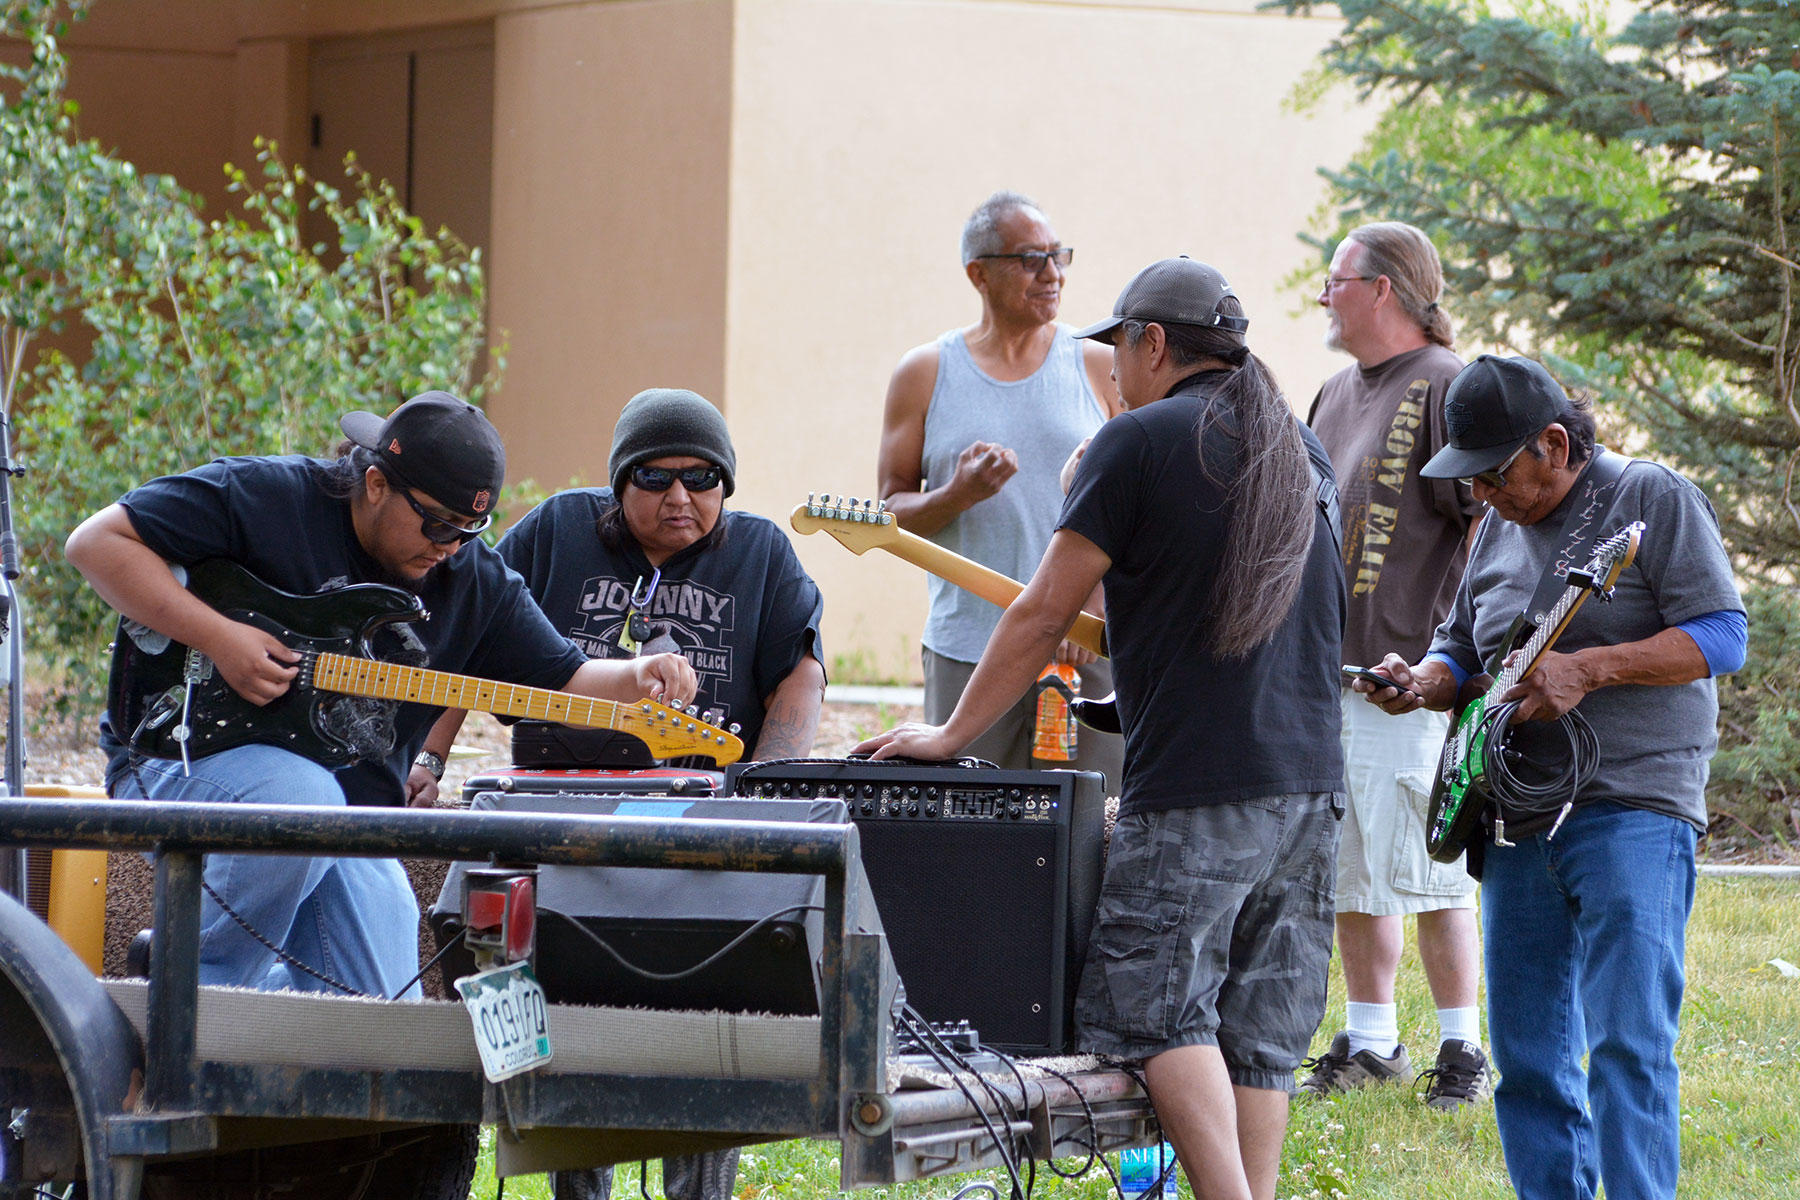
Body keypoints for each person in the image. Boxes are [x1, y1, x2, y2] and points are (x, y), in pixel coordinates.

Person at [858, 258, 1346, 1200]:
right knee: (1259, 1029)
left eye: (1116, 345)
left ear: (1153, 343)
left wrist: (952, 732)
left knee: (1154, 1009)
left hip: (1201, 788)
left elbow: (1042, 614)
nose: (1109, 368)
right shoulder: (1298, 446)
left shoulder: (1140, 444)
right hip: (1312, 788)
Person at [64, 392, 696, 1001]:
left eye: (470, 530)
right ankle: (182, 994)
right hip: (175, 752)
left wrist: (638, 676)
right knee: (302, 799)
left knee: (383, 1015)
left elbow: (569, 678)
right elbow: (95, 545)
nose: (450, 546)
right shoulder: (265, 495)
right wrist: (221, 637)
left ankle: (263, 1021)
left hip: (348, 818)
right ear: (374, 484)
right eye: (438, 523)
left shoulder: (471, 577)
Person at [1353, 355, 1745, 1199]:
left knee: (1628, 1044)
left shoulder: (1649, 500)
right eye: (1470, 482)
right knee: (1527, 1058)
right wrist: (1424, 679)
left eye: (1493, 476)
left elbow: (1723, 634)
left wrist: (1594, 667)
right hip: (1516, 814)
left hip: (1631, 806)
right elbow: (1463, 647)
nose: (1481, 497)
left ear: (1555, 444)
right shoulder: (1494, 524)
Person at [419, 387, 825, 1200]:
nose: (681, 496)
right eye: (655, 477)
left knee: (708, 1007)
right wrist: (427, 757)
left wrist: (766, 787)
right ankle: (570, 1177)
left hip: (701, 817)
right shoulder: (554, 533)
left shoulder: (762, 555)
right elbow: (465, 640)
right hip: (550, 808)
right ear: (618, 483)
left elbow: (800, 674)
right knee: (549, 992)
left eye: (702, 478)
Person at [1299, 222, 1489, 1107]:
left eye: (1335, 280)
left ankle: (1464, 1050)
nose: (1323, 295)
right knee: (1357, 863)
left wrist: (1449, 659)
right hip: (1337, 678)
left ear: (1383, 289)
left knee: (1432, 867)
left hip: (1416, 685)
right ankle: (1372, 1039)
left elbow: (1494, 531)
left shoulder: (1448, 388)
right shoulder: (1336, 392)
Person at [877, 190, 1124, 779]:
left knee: (1098, 830)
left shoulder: (1097, 364)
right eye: (1031, 258)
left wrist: (1089, 606)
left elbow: (1139, 509)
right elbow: (888, 516)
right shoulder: (924, 373)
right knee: (974, 841)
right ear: (978, 274)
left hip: (1086, 648)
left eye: (1058, 255)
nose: (1053, 273)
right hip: (969, 651)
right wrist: (956, 494)